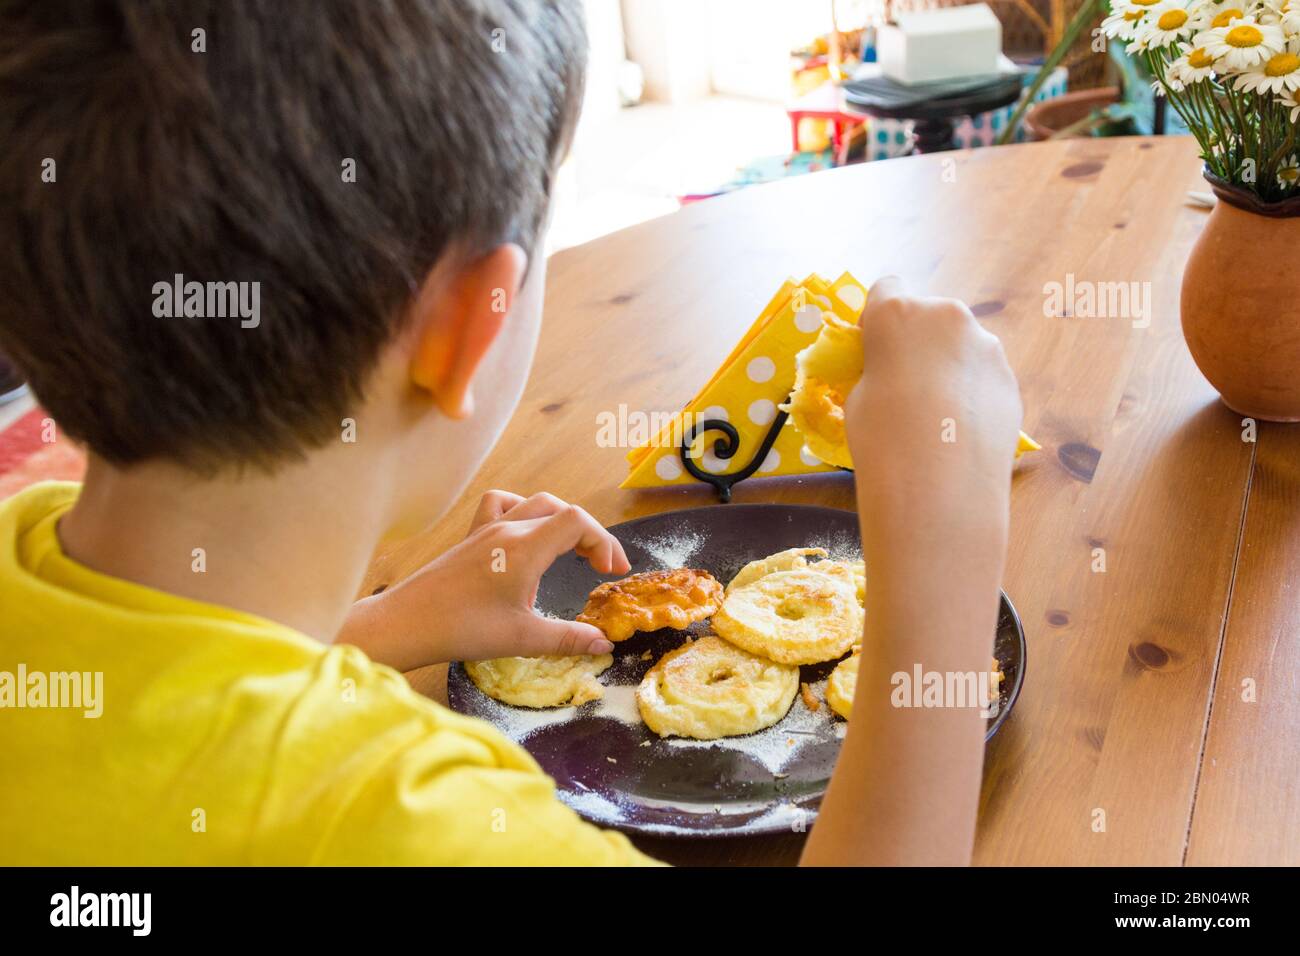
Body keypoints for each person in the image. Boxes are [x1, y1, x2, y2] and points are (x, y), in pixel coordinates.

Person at [0, 0, 1022, 865]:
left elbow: (159, 698)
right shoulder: (426, 822)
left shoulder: (30, 550)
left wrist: (381, 625)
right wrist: (942, 543)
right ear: (469, 324)